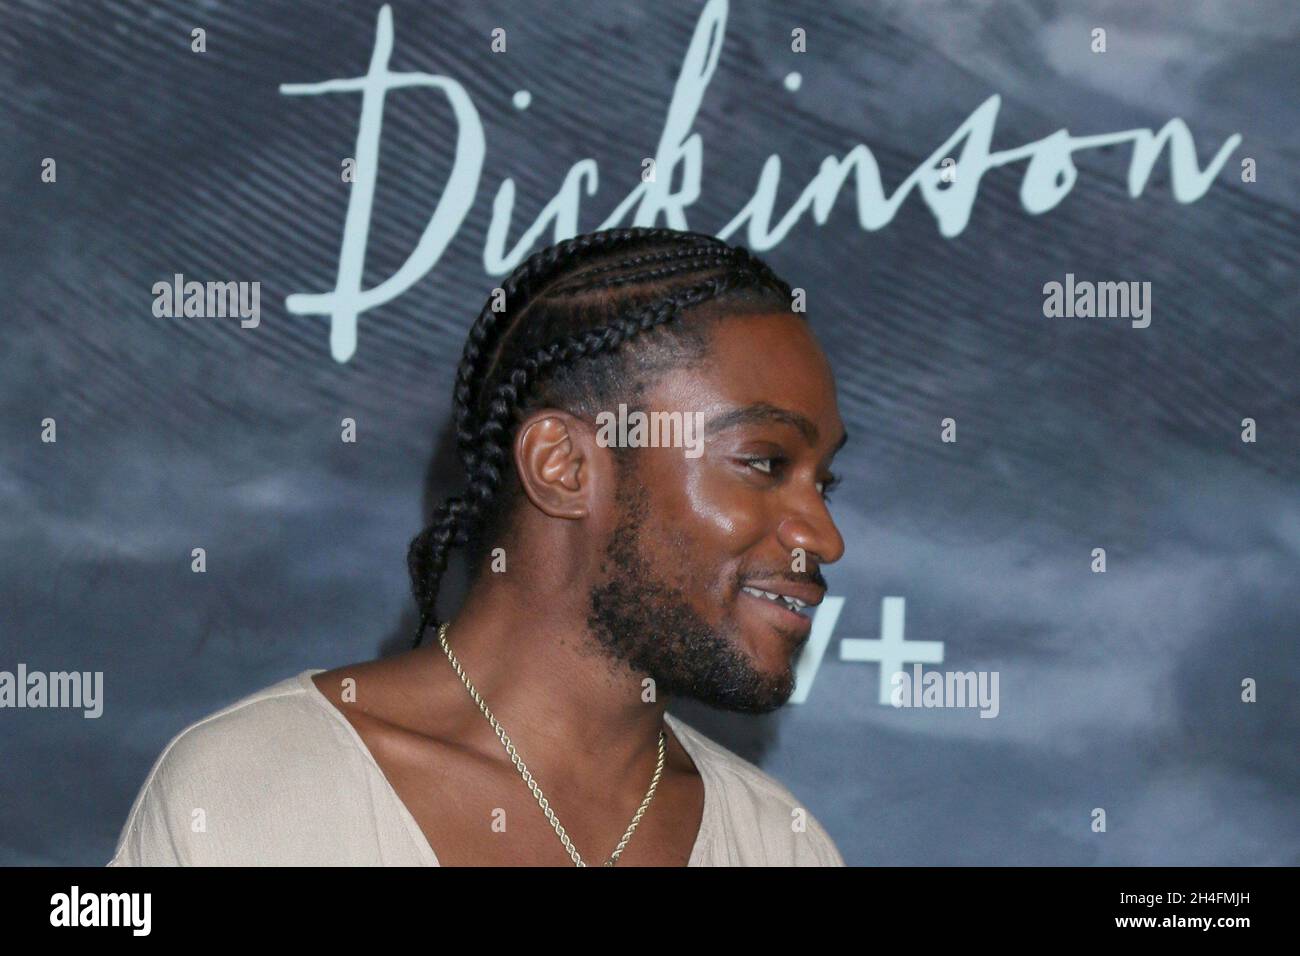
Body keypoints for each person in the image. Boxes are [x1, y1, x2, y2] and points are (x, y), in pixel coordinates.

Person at [108, 227, 849, 866]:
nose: (823, 535)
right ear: (562, 466)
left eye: (825, 481)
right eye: (764, 462)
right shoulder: (251, 797)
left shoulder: (777, 845)